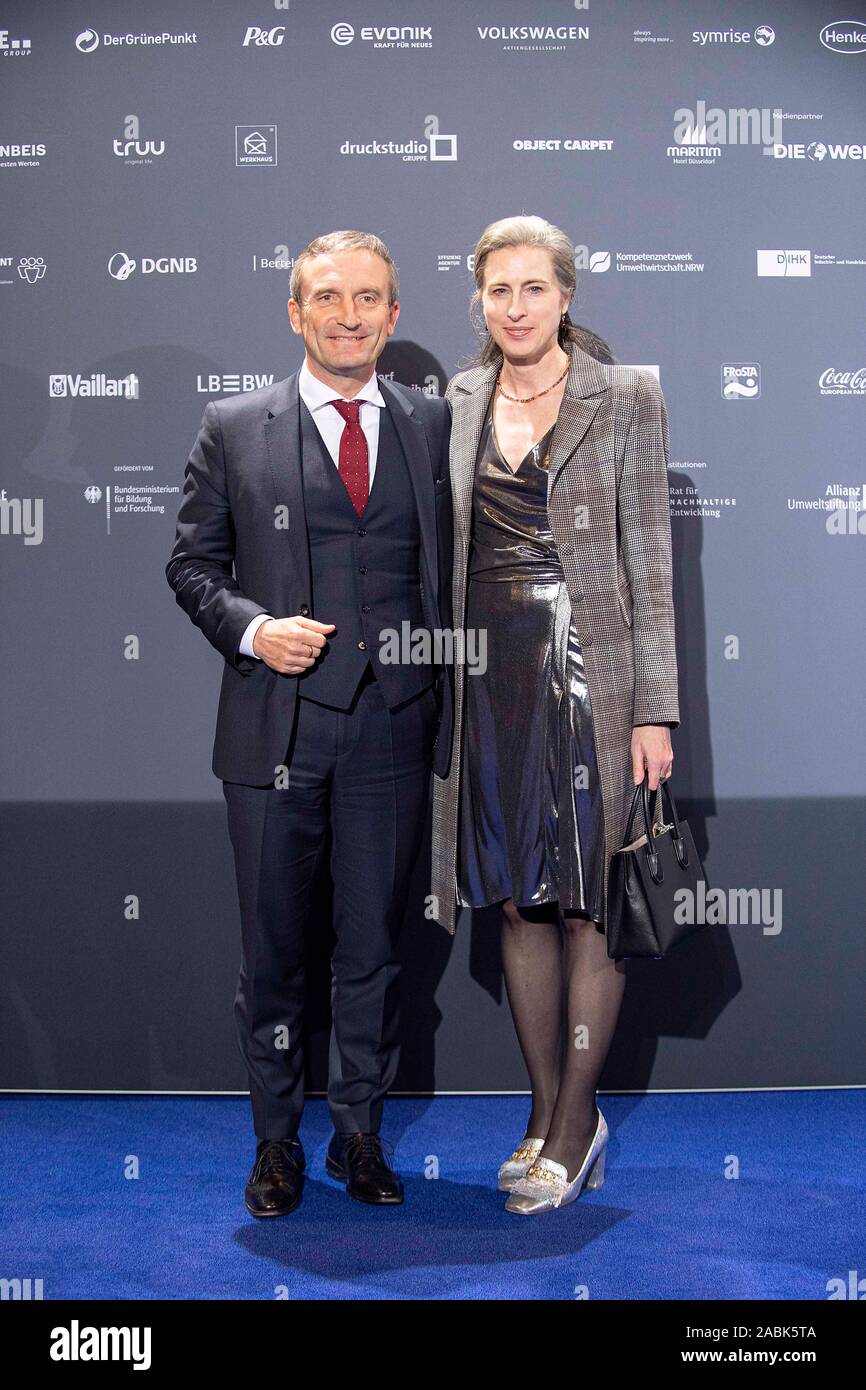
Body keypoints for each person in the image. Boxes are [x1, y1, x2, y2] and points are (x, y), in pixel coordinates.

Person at [166, 230, 453, 1217]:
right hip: (275, 732)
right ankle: (276, 1142)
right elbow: (190, 564)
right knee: (275, 950)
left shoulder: (431, 423)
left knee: (373, 946)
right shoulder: (234, 425)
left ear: (393, 314)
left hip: (395, 726)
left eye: (367, 298)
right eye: (327, 297)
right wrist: (254, 631)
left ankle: (358, 1134)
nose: (348, 316)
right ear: (294, 312)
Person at [429, 215, 679, 1214]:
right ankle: (540, 1114)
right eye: (499, 290)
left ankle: (577, 1124)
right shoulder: (455, 399)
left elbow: (649, 563)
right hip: (487, 679)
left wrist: (654, 710)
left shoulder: (625, 396)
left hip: (590, 674)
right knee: (515, 899)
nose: (516, 306)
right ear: (480, 300)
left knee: (588, 900)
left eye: (534, 287)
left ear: (565, 295)